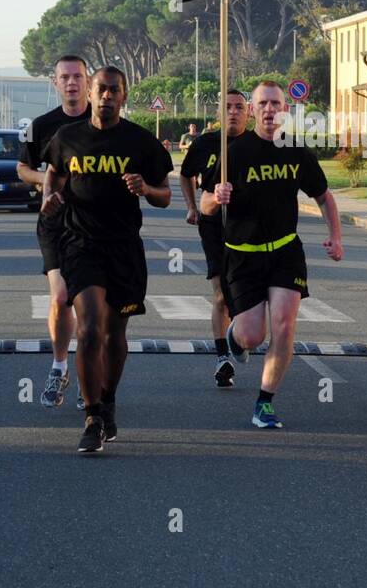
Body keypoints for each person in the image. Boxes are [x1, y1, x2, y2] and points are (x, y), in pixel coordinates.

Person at [41, 66, 173, 453]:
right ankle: (93, 416)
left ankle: (108, 398)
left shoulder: (140, 141)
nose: (107, 97)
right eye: (101, 89)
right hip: (81, 244)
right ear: (91, 92)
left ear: (124, 95)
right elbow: (53, 174)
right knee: (89, 328)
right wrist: (50, 198)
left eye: (115, 90)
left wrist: (145, 187)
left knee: (116, 335)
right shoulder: (68, 138)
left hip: (124, 248)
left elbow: (165, 195)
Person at [201, 80, 344, 429]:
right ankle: (237, 336)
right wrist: (216, 196)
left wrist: (335, 236)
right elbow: (205, 205)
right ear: (252, 110)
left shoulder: (295, 150)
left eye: (276, 104)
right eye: (262, 103)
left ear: (285, 109)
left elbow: (324, 196)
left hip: (284, 251)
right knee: (252, 336)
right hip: (242, 254)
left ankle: (264, 402)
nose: (269, 109)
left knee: (284, 324)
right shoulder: (233, 152)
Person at [17, 55, 90, 410]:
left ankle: (87, 373)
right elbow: (21, 168)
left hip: (96, 225)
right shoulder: (41, 125)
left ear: (88, 81)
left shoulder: (103, 121)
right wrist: (46, 183)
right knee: (61, 297)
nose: (72, 82)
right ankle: (59, 365)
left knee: (91, 305)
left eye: (78, 76)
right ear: (55, 83)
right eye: (66, 77)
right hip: (55, 221)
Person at [179, 90, 251, 388]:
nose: (233, 112)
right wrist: (192, 207)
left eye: (239, 107)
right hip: (212, 225)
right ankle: (222, 356)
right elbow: (185, 175)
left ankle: (241, 332)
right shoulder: (206, 142)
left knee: (245, 294)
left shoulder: (256, 145)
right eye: (228, 107)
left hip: (248, 226)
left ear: (249, 112)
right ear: (220, 112)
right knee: (221, 291)